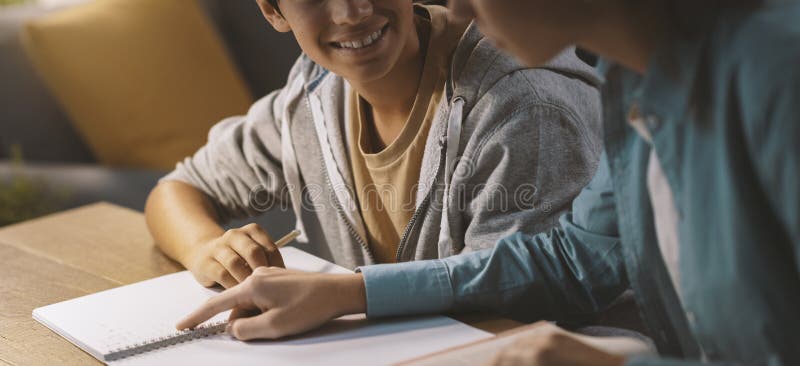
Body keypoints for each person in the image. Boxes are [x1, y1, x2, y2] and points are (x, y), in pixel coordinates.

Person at [178, 0, 799, 364]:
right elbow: (575, 256)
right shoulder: (636, 79)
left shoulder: (777, 71)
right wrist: (351, 293)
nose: (455, 8)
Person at [145, 0, 603, 290]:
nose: (351, 12)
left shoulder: (523, 106)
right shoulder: (314, 91)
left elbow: (512, 297)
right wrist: (206, 248)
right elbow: (178, 189)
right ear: (273, 11)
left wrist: (341, 301)